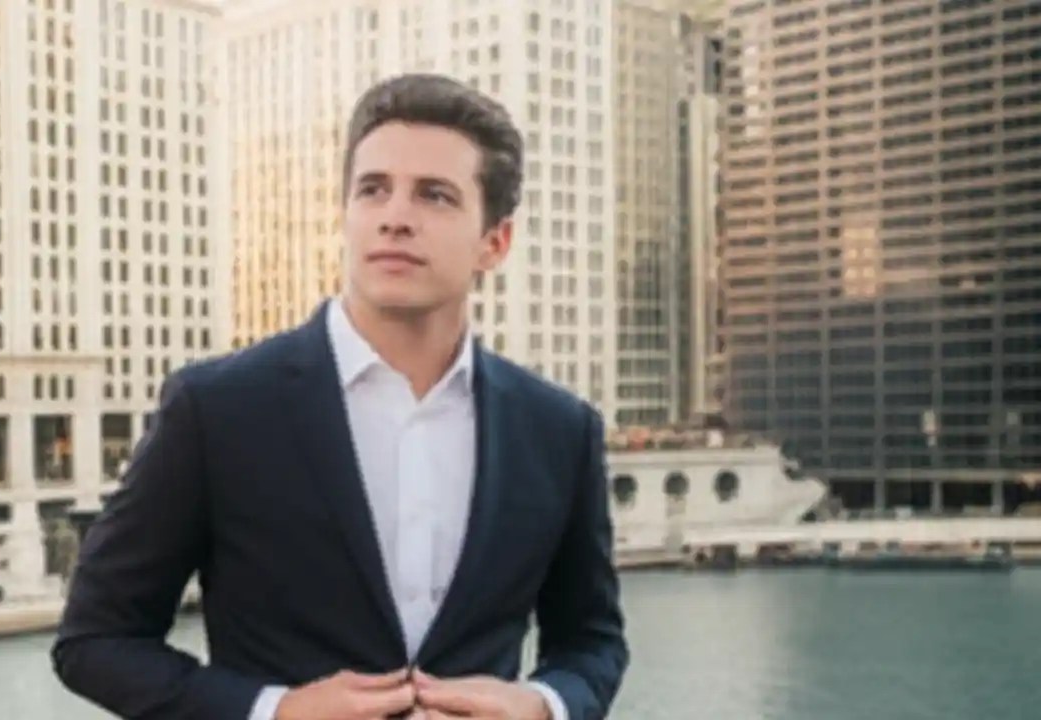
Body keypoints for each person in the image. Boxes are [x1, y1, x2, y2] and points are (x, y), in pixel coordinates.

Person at [52, 73, 628, 720]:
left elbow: (592, 641)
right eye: (373, 189)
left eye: (434, 196)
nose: (395, 216)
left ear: (494, 242)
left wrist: (541, 706)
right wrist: (274, 711)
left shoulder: (558, 428)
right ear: (346, 214)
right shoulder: (216, 409)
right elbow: (94, 640)